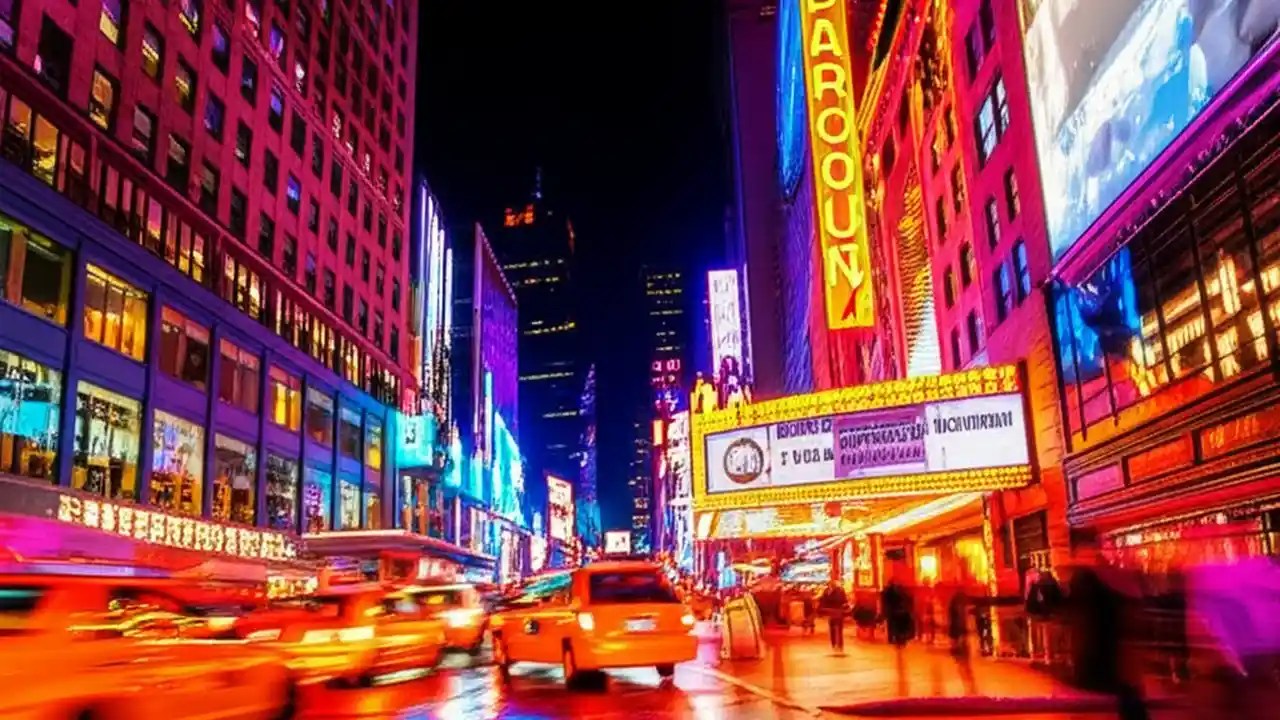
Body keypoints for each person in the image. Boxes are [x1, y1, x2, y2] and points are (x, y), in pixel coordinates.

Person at [818, 580, 848, 651]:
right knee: (836, 629)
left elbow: (841, 600)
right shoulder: (829, 591)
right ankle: (837, 645)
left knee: (836, 629)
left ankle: (837, 645)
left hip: (835, 611)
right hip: (835, 612)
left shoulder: (837, 591)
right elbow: (844, 600)